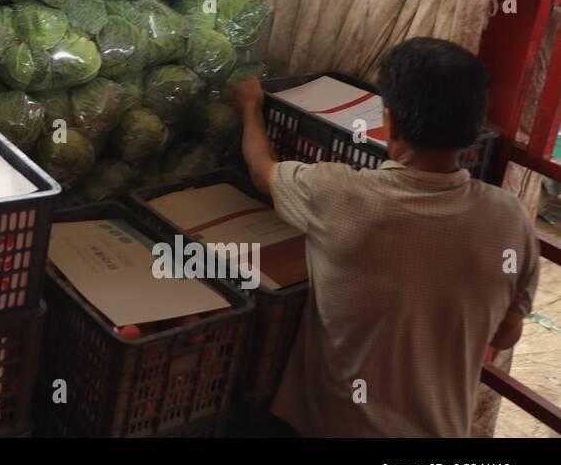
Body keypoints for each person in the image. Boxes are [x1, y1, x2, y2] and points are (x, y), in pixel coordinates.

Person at [230, 37, 539, 438]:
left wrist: (251, 106)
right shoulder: (510, 217)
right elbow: (506, 332)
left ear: (389, 122)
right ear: (471, 129)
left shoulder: (337, 193)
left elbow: (261, 170)